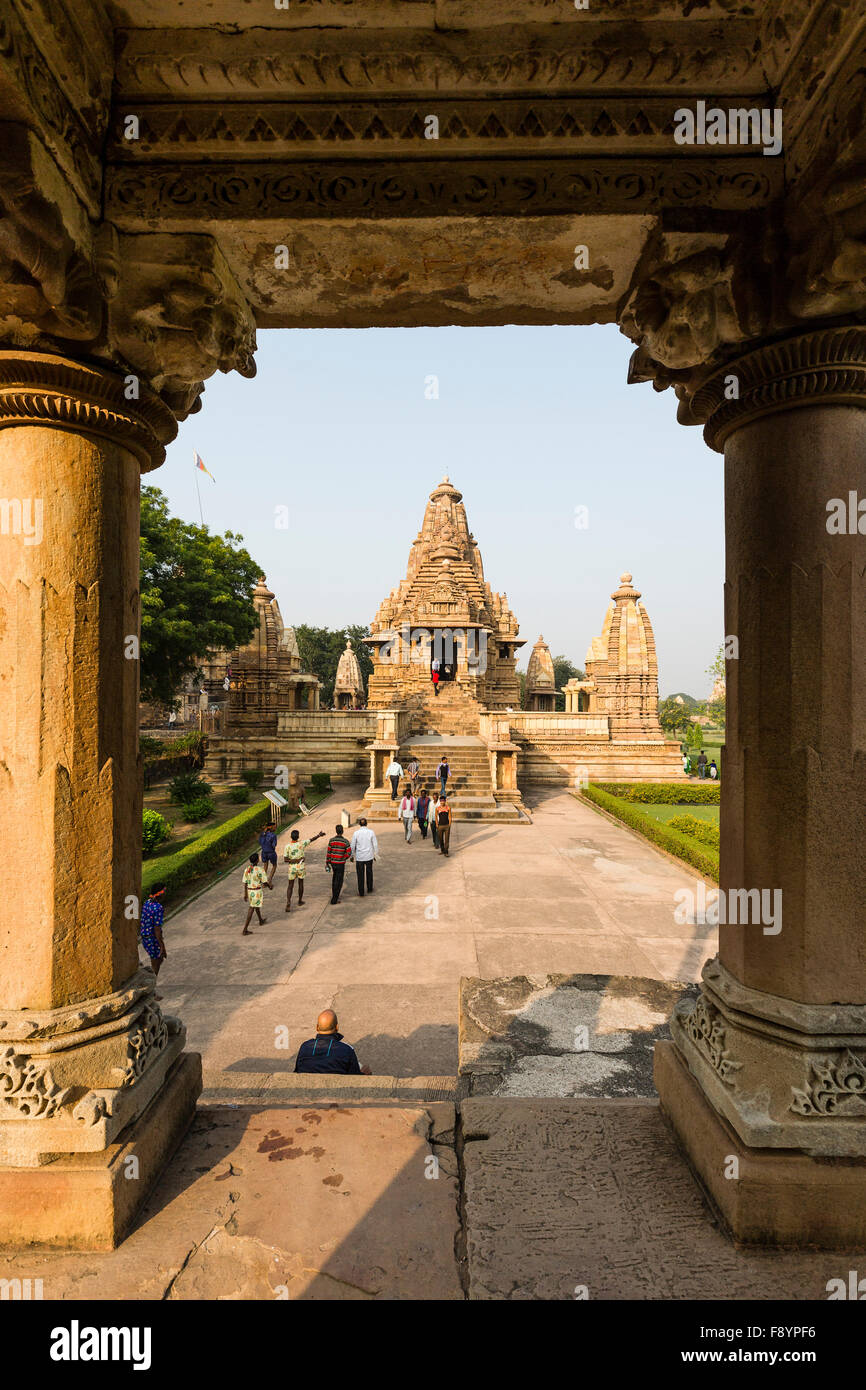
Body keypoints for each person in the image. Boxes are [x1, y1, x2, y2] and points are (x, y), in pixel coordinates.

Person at [294, 1010, 372, 1075]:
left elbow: (297, 1072)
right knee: (366, 1070)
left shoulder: (305, 1047)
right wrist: (364, 1074)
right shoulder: (347, 1050)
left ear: (317, 1027)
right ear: (337, 1027)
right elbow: (355, 1077)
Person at [283, 827, 326, 912]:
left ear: (291, 837)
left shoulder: (287, 846)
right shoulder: (301, 843)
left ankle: (288, 901)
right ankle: (299, 901)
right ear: (298, 837)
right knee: (300, 883)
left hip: (292, 868)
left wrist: (293, 860)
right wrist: (319, 835)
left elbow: (285, 859)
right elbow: (311, 839)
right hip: (300, 867)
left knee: (290, 886)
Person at [140, 885, 167, 995]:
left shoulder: (147, 902)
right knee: (156, 964)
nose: (166, 893)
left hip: (145, 937)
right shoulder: (158, 908)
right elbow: (157, 929)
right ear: (160, 894)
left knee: (157, 960)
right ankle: (151, 991)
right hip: (152, 939)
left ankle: (151, 988)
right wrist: (162, 946)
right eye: (164, 891)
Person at [242, 852, 272, 934]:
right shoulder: (259, 870)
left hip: (250, 891)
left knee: (255, 906)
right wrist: (270, 886)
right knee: (251, 908)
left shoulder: (247, 869)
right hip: (256, 892)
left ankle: (261, 920)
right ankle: (245, 929)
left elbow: (245, 882)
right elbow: (264, 882)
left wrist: (245, 894)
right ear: (257, 860)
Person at [350, 817, 378, 896]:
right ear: (366, 824)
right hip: (369, 856)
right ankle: (369, 888)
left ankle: (361, 891)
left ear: (359, 824)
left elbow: (352, 845)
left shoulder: (356, 833)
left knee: (360, 875)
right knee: (369, 873)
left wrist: (352, 855)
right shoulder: (371, 832)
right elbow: (375, 844)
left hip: (360, 857)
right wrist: (375, 854)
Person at [325, 823, 352, 903]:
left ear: (336, 831)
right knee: (339, 880)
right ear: (342, 831)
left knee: (334, 878)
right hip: (341, 863)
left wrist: (327, 862)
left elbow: (329, 852)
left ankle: (334, 895)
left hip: (333, 863)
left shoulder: (331, 840)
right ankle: (335, 899)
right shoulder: (345, 841)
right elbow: (349, 853)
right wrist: (344, 858)